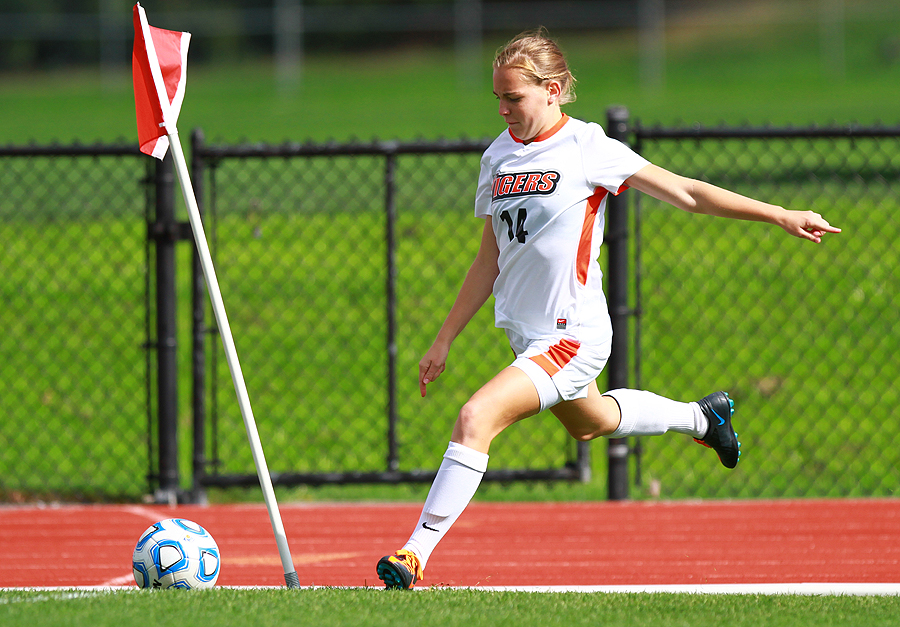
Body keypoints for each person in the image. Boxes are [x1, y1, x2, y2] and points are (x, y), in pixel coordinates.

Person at [376, 29, 841, 590]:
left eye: (514, 97)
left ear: (552, 90)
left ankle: (414, 552)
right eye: (497, 98)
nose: (503, 109)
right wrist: (444, 338)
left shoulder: (586, 146)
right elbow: (488, 258)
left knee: (477, 417)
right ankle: (704, 418)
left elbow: (687, 193)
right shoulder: (497, 156)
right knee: (592, 425)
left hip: (573, 334)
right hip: (528, 337)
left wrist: (778, 212)